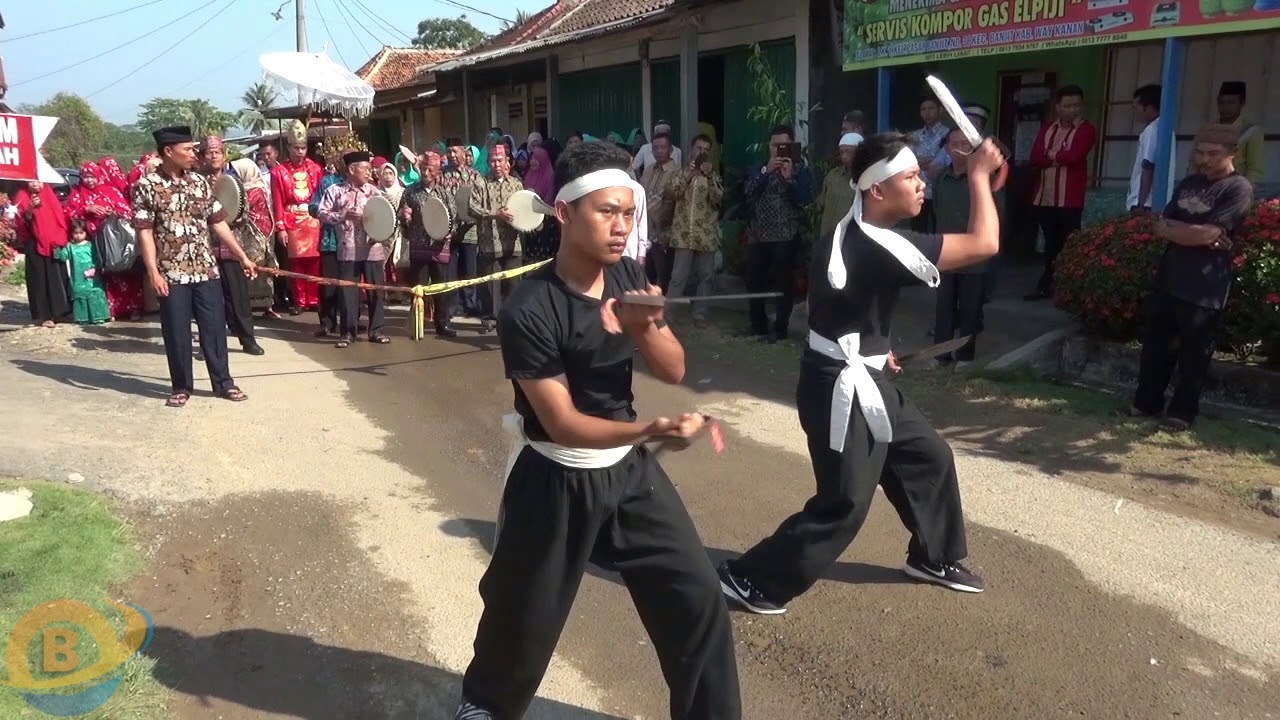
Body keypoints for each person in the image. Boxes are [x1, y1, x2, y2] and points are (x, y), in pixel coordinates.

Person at [454, 139, 741, 720]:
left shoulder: (627, 273)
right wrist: (652, 429)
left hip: (629, 472)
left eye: (628, 212)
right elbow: (560, 423)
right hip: (557, 473)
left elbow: (675, 368)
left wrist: (647, 327)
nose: (621, 226)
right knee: (523, 613)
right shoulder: (529, 308)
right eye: (606, 211)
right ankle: (485, 704)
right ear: (564, 212)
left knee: (697, 598)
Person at [718, 132, 1006, 615]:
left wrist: (874, 350)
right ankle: (751, 579)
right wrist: (979, 176)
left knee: (929, 455)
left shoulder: (846, 232)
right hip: (839, 389)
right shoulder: (876, 245)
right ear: (877, 190)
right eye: (911, 177)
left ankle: (932, 557)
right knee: (844, 502)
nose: (922, 186)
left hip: (859, 372)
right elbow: (985, 243)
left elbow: (831, 306)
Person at [1126, 124, 1254, 432]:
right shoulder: (1189, 183)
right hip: (1170, 278)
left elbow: (1211, 233)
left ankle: (1181, 413)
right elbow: (1161, 224)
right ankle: (1146, 403)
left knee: (1194, 355)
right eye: (1200, 152)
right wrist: (1193, 234)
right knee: (1156, 348)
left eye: (1213, 153)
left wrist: (1191, 233)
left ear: (1232, 153)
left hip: (1205, 286)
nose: (1204, 159)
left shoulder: (1238, 189)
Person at [133, 125, 257, 408]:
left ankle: (223, 383)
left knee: (213, 328)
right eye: (187, 149)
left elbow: (218, 223)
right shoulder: (146, 186)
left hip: (205, 269)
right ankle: (181, 386)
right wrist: (153, 271)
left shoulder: (200, 183)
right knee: (176, 331)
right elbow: (145, 232)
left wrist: (242, 256)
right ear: (168, 151)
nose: (194, 154)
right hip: (172, 273)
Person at [932, 128, 1007, 370]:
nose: (959, 149)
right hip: (946, 250)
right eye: (954, 144)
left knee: (970, 310)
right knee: (943, 308)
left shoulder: (985, 179)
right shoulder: (941, 179)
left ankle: (965, 357)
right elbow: (936, 213)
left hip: (975, 255)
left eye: (965, 144)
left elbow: (997, 214)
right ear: (946, 148)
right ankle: (940, 356)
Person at [743, 124, 815, 343]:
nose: (778, 150)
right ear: (769, 146)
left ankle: (780, 329)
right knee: (754, 281)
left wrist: (789, 177)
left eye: (783, 145)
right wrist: (767, 172)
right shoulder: (760, 168)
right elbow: (748, 193)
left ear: (792, 146)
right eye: (775, 145)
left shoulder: (801, 170)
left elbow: (804, 199)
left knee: (783, 284)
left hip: (786, 236)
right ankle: (758, 327)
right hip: (759, 236)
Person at [1026, 85, 1098, 301]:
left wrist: (1051, 154)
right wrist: (1059, 156)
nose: (1072, 110)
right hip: (1045, 197)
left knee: (1071, 245)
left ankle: (1071, 290)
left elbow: (1075, 157)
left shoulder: (1087, 130)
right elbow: (1035, 158)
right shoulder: (1048, 128)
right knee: (1050, 244)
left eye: (1076, 105)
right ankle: (1047, 285)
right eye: (1067, 105)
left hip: (1070, 198)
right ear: (1058, 107)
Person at [318, 150, 390, 348]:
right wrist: (342, 215)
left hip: (372, 248)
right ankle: (347, 333)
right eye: (365, 169)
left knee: (376, 290)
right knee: (348, 293)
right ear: (351, 169)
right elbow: (322, 213)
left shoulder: (375, 191)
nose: (369, 172)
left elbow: (387, 216)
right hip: (347, 249)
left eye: (369, 169)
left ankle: (376, 330)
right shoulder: (335, 190)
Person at [66, 161, 141, 320]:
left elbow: (127, 212)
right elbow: (69, 214)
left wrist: (112, 212)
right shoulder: (78, 193)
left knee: (125, 272)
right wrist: (86, 209)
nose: (89, 181)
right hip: (94, 243)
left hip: (117, 242)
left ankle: (133, 307)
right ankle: (109, 311)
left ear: (99, 176)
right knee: (104, 276)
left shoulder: (110, 191)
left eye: (92, 176)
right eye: (85, 177)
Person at [665, 133, 723, 326]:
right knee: (678, 276)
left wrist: (709, 176)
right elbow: (673, 193)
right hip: (684, 234)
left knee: (706, 276)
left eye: (706, 150)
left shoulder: (714, 177)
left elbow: (718, 200)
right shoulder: (680, 173)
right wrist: (689, 176)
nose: (702, 153)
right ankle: (668, 313)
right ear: (692, 150)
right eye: (699, 148)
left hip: (706, 234)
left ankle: (700, 314)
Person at [400, 151, 459, 338]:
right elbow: (401, 215)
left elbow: (454, 218)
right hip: (418, 245)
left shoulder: (445, 192)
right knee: (419, 288)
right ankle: (417, 323)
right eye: (423, 168)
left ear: (437, 172)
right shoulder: (410, 191)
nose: (425, 173)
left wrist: (449, 233)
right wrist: (404, 216)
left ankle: (443, 324)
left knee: (441, 287)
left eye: (430, 170)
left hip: (439, 246)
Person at [468, 143, 525, 333]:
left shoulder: (516, 184)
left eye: (500, 160)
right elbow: (472, 208)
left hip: (512, 242)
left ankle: (511, 319)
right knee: (490, 284)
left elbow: (523, 207)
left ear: (507, 162)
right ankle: (490, 319)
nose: (497, 164)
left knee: (513, 283)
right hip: (489, 241)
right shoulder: (480, 183)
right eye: (493, 160)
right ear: (488, 162)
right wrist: (495, 214)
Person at [271, 120, 325, 314]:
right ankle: (299, 300)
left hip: (312, 220)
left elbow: (320, 196)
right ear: (288, 147)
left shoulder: (316, 168)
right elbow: (277, 201)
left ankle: (314, 299)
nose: (300, 152)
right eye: (296, 148)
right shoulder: (278, 172)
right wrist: (281, 228)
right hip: (291, 219)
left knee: (315, 261)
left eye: (303, 148)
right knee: (296, 264)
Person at [228, 158, 278, 333]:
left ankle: (254, 306)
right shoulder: (259, 186)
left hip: (254, 233)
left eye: (236, 171)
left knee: (252, 268)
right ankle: (263, 306)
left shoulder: (253, 190)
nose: (233, 174)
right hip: (261, 232)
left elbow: (242, 213)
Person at [14, 180, 71, 327]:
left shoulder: (48, 194)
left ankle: (60, 312)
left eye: (38, 181)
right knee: (40, 278)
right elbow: (21, 220)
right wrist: (31, 208)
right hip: (34, 243)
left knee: (57, 276)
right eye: (32, 182)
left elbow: (58, 217)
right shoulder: (22, 195)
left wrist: (60, 239)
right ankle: (44, 315)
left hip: (54, 242)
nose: (35, 185)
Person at [54, 219, 111, 325]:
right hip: (78, 277)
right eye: (75, 233)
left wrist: (95, 268)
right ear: (72, 233)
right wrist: (56, 249)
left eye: (81, 233)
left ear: (86, 233)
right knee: (79, 294)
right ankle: (82, 318)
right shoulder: (70, 246)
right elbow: (63, 257)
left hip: (93, 276)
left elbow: (97, 258)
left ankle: (99, 316)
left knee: (95, 293)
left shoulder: (91, 245)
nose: (78, 236)